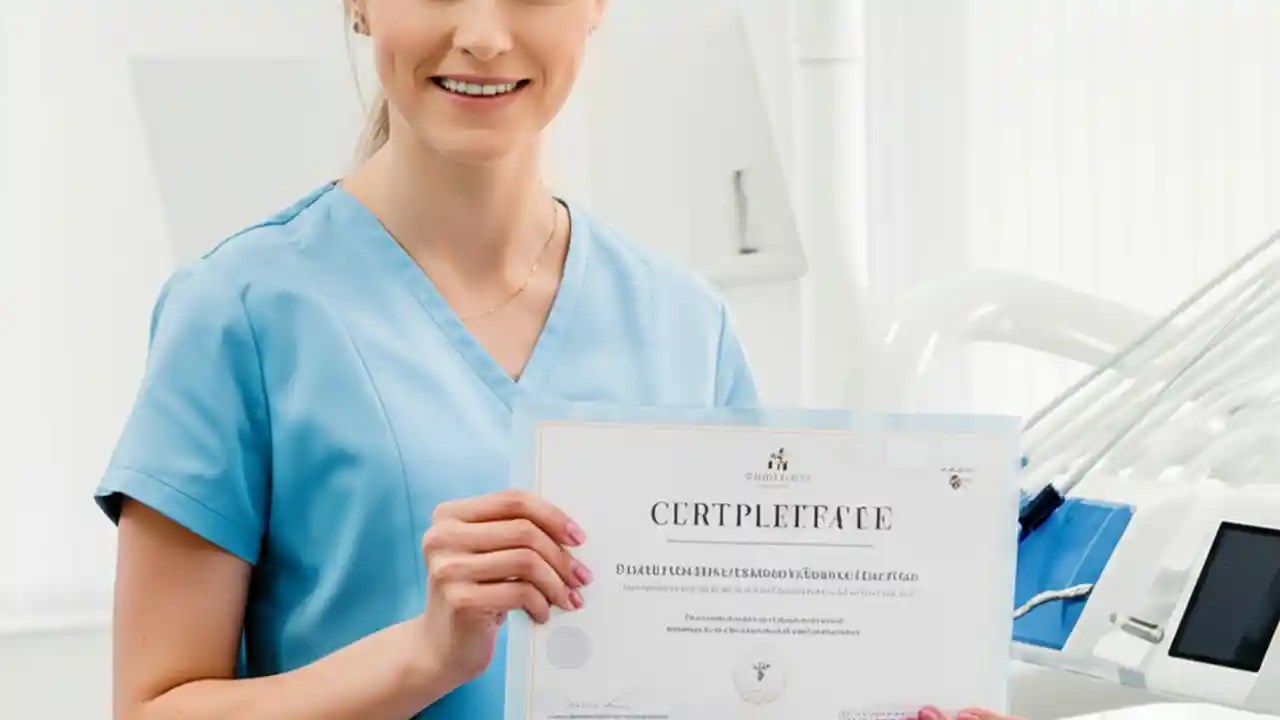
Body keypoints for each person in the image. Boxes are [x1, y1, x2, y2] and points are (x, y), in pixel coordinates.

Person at [92, 1, 1021, 719]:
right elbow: (154, 706)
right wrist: (422, 657)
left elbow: (736, 676)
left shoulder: (682, 321)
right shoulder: (241, 310)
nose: (485, 36)